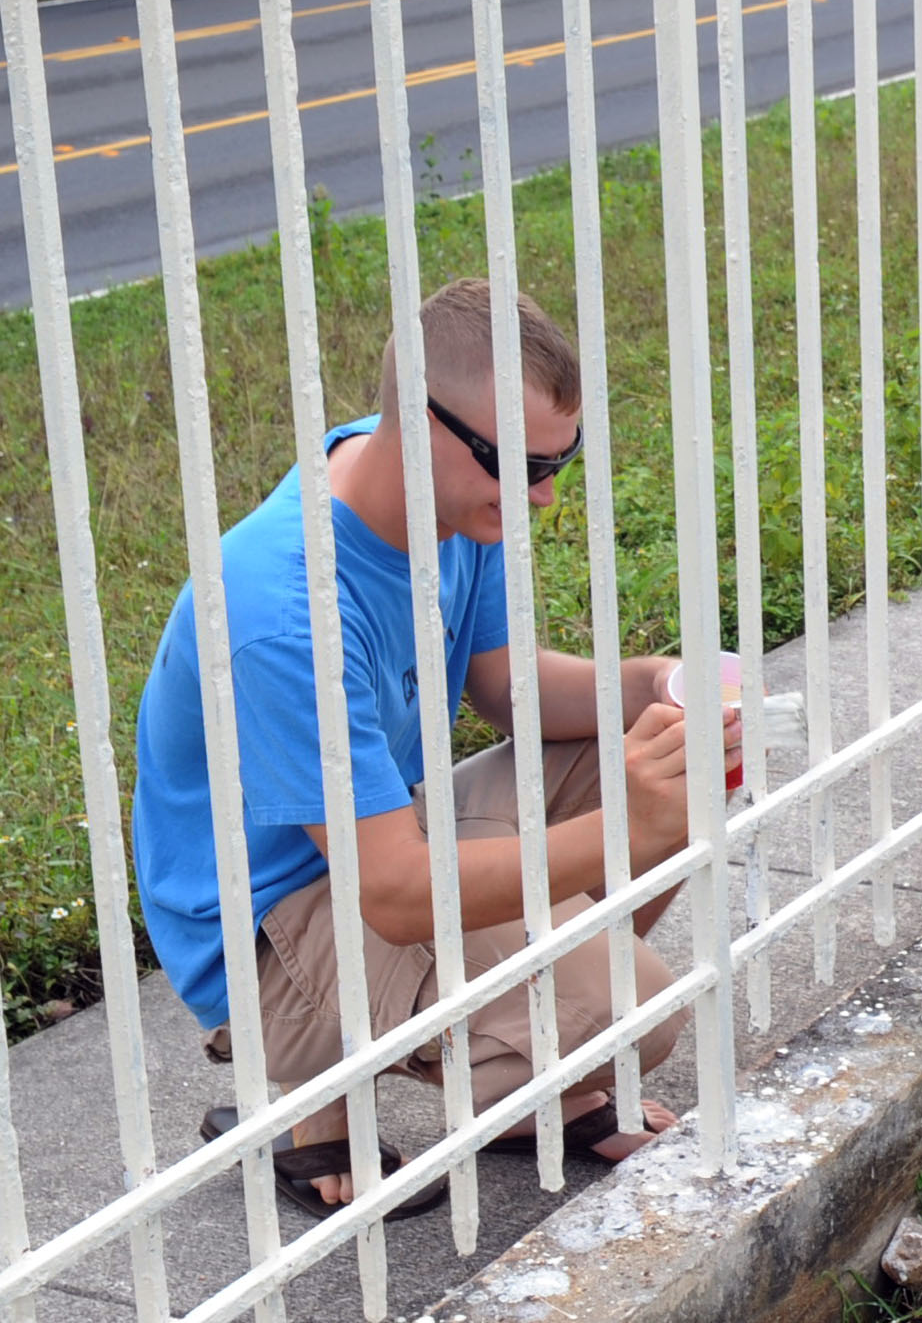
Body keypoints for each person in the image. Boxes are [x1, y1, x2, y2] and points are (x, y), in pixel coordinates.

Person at [133, 278, 737, 1215]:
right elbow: (396, 893)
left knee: (668, 752)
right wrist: (636, 832)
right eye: (518, 464)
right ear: (417, 427)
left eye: (561, 462)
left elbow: (507, 690)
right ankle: (309, 1081)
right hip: (271, 925)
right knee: (632, 1009)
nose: (540, 497)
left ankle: (527, 1077)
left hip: (378, 837)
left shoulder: (448, 497)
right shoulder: (285, 611)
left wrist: (657, 685)